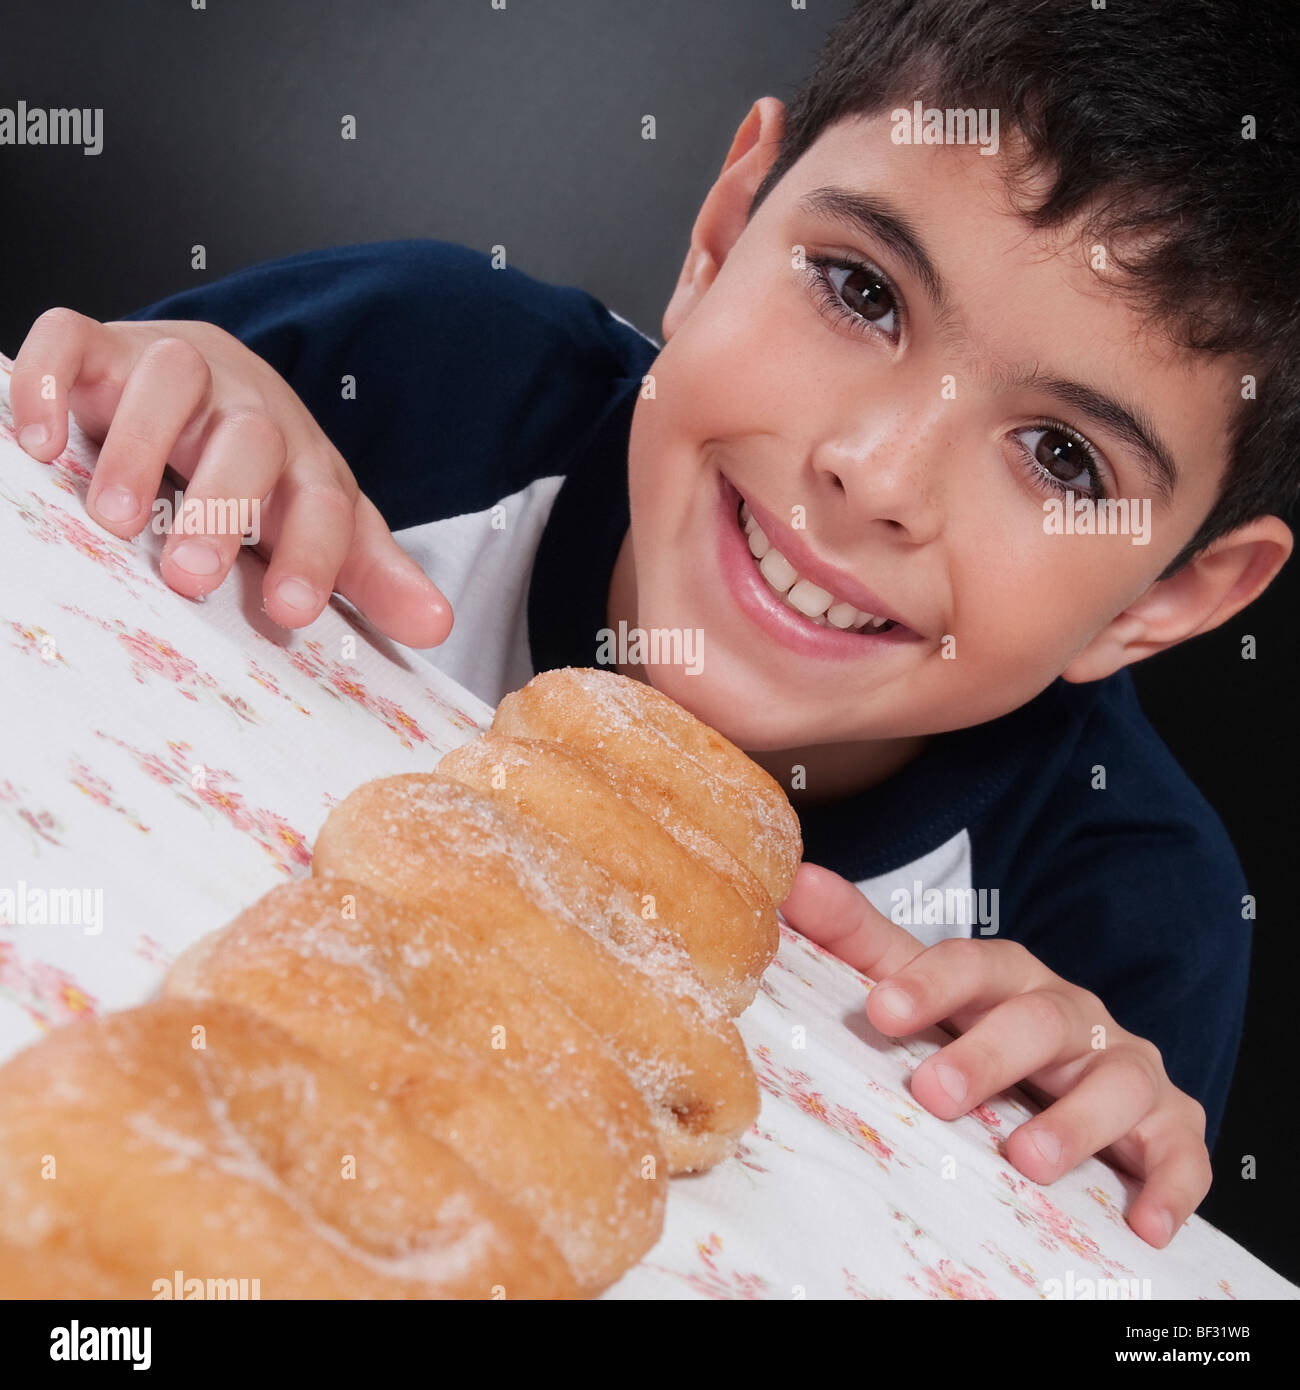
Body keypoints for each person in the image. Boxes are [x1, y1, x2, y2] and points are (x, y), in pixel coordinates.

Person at [8, 0, 1297, 1249]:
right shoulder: (403, 370)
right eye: (861, 290)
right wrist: (126, 438)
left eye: (1060, 458)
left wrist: (1093, 1176)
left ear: (1171, 596)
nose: (876, 474)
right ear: (724, 234)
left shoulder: (1128, 925)